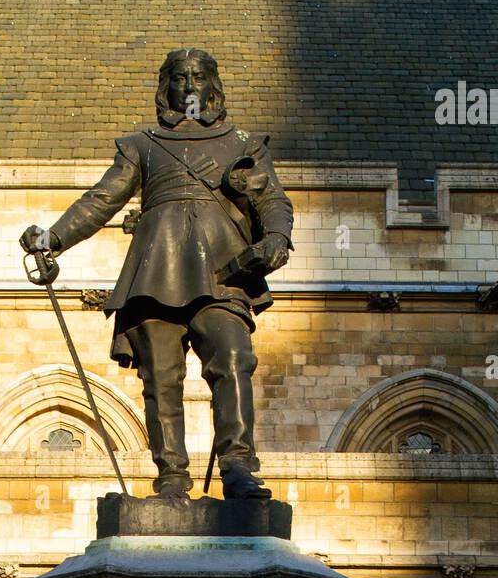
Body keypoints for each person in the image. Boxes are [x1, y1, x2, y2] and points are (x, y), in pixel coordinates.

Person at [20, 48, 293, 499]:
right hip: (155, 269)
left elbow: (273, 202)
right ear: (166, 88)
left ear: (213, 87)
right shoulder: (142, 145)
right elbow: (101, 200)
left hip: (224, 270)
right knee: (161, 377)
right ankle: (171, 477)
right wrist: (54, 237)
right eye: (180, 78)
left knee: (232, 358)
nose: (190, 86)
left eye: (199, 77)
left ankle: (239, 467)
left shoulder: (244, 144)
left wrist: (278, 239)